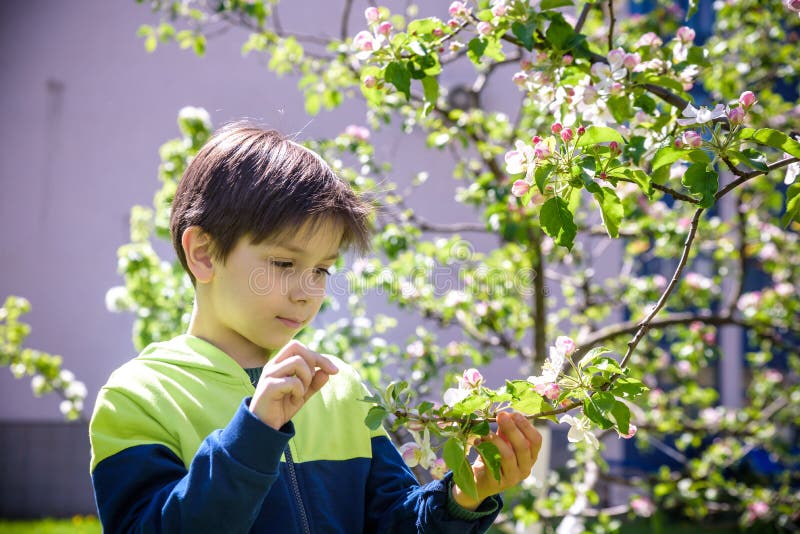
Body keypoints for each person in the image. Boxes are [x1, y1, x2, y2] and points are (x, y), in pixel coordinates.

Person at [89, 124, 543, 533]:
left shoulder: (339, 389)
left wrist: (463, 497)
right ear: (204, 253)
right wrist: (253, 434)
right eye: (284, 263)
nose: (307, 291)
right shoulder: (140, 397)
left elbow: (393, 523)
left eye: (323, 270)